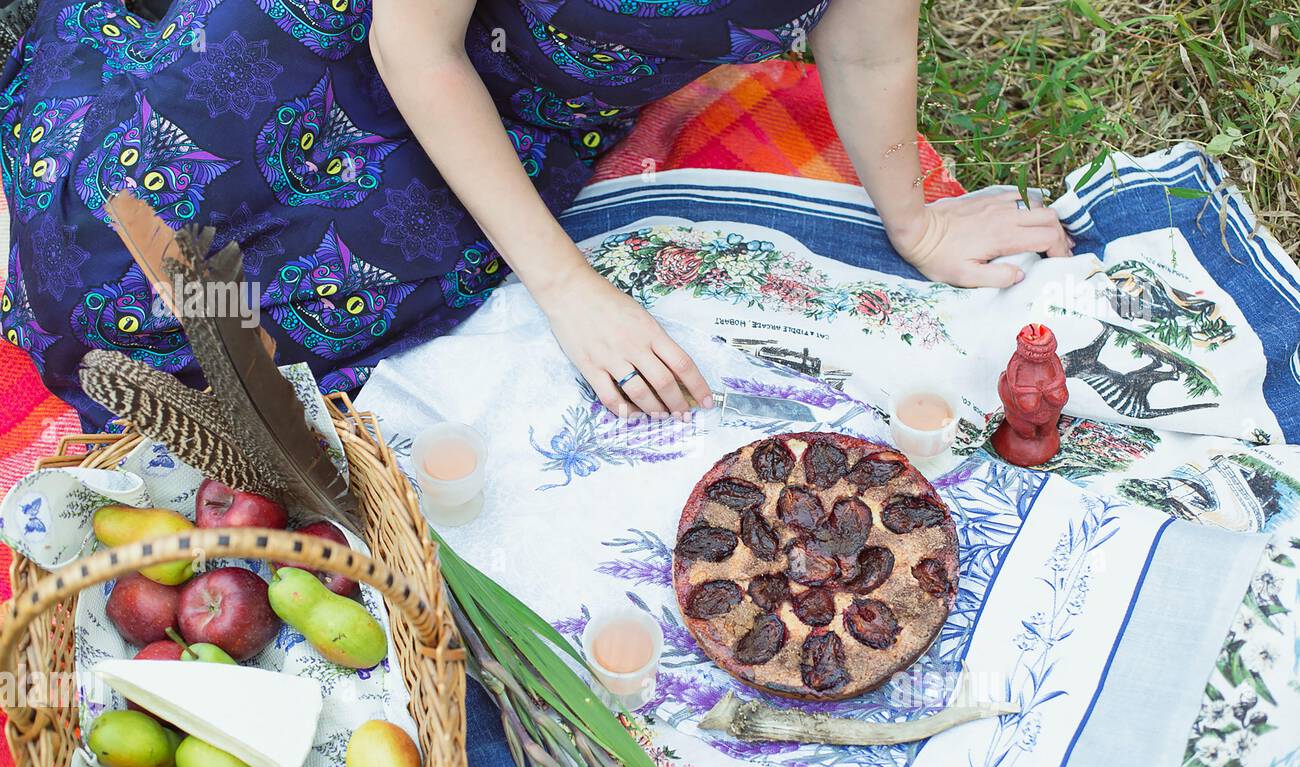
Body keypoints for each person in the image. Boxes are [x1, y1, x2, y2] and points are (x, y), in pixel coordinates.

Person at [0, 0, 1070, 429]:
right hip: (361, 33)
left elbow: (867, 40)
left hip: (526, 117)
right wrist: (567, 286)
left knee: (247, 338)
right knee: (107, 251)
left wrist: (914, 220)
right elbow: (412, 47)